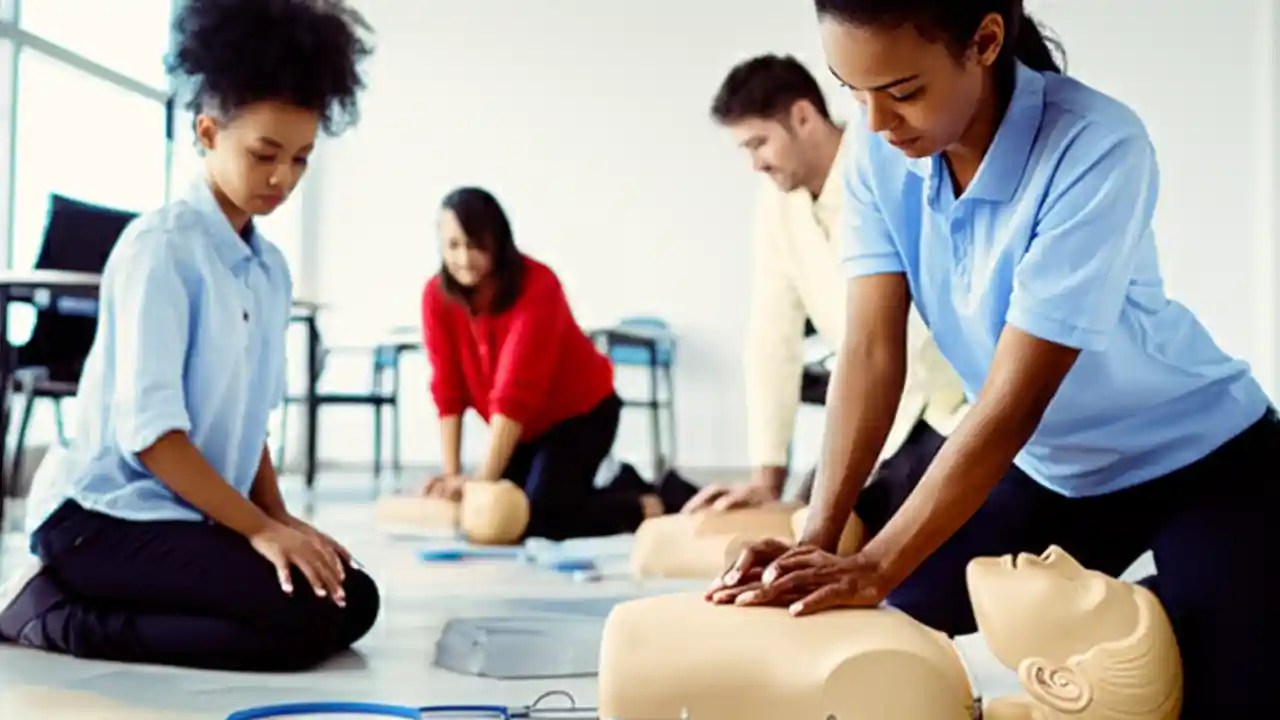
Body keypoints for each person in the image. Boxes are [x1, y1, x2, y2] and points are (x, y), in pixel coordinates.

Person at [710, 1, 1277, 716]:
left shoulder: (1096, 145)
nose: (877, 124)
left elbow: (1012, 400)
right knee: (902, 611)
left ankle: (1190, 609)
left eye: (903, 91)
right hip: (1053, 466)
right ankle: (1170, 610)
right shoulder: (878, 158)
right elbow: (870, 350)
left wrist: (876, 562)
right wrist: (819, 541)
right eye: (855, 92)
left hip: (1199, 458)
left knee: (1233, 692)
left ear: (983, 41)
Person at [0, 0, 379, 671]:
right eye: (265, 153)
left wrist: (284, 522)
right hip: (100, 518)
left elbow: (249, 423)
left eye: (300, 159)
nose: (281, 178)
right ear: (207, 131)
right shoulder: (162, 248)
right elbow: (152, 436)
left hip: (186, 513)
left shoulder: (268, 268)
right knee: (293, 625)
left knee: (352, 598)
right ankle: (48, 611)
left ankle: (134, 595)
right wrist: (258, 530)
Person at [683, 54, 969, 523]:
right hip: (874, 414)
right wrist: (766, 478)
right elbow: (772, 338)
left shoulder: (891, 162)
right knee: (794, 520)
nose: (756, 164)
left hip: (942, 407)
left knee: (859, 535)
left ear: (803, 117)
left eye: (759, 143)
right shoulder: (779, 207)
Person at [420, 187, 698, 540]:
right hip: (525, 431)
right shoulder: (436, 296)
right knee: (512, 511)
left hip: (581, 414)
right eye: (453, 246)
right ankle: (624, 482)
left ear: (499, 241)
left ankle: (653, 501)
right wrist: (452, 476)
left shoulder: (538, 285)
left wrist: (479, 485)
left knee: (540, 520)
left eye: (476, 245)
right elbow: (448, 389)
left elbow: (513, 394)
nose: (464, 258)